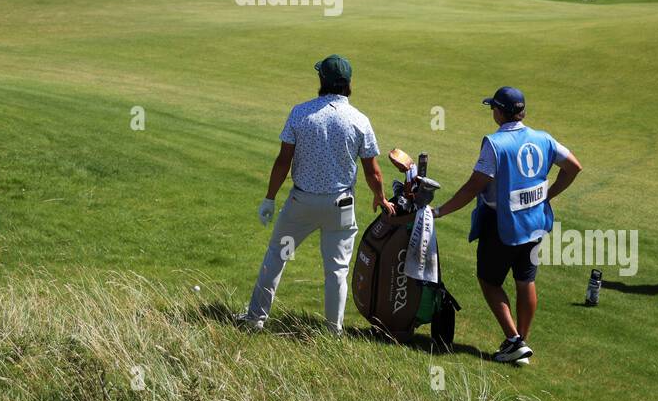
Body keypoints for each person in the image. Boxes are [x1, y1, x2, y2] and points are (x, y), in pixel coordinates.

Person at [238, 55, 394, 334]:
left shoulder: (300, 112)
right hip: (341, 207)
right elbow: (373, 172)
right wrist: (380, 197)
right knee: (336, 270)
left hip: (301, 204)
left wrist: (270, 198)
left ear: (322, 81)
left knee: (277, 255)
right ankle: (333, 331)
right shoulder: (359, 120)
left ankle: (255, 320)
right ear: (348, 84)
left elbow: (283, 161)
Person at [430, 87, 582, 364]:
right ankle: (520, 343)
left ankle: (514, 341)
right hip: (535, 222)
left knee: (489, 281)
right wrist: (549, 194)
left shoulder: (495, 144)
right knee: (526, 280)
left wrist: (439, 211)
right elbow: (573, 166)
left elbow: (474, 186)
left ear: (499, 112)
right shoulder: (543, 138)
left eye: (493, 108)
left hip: (501, 225)